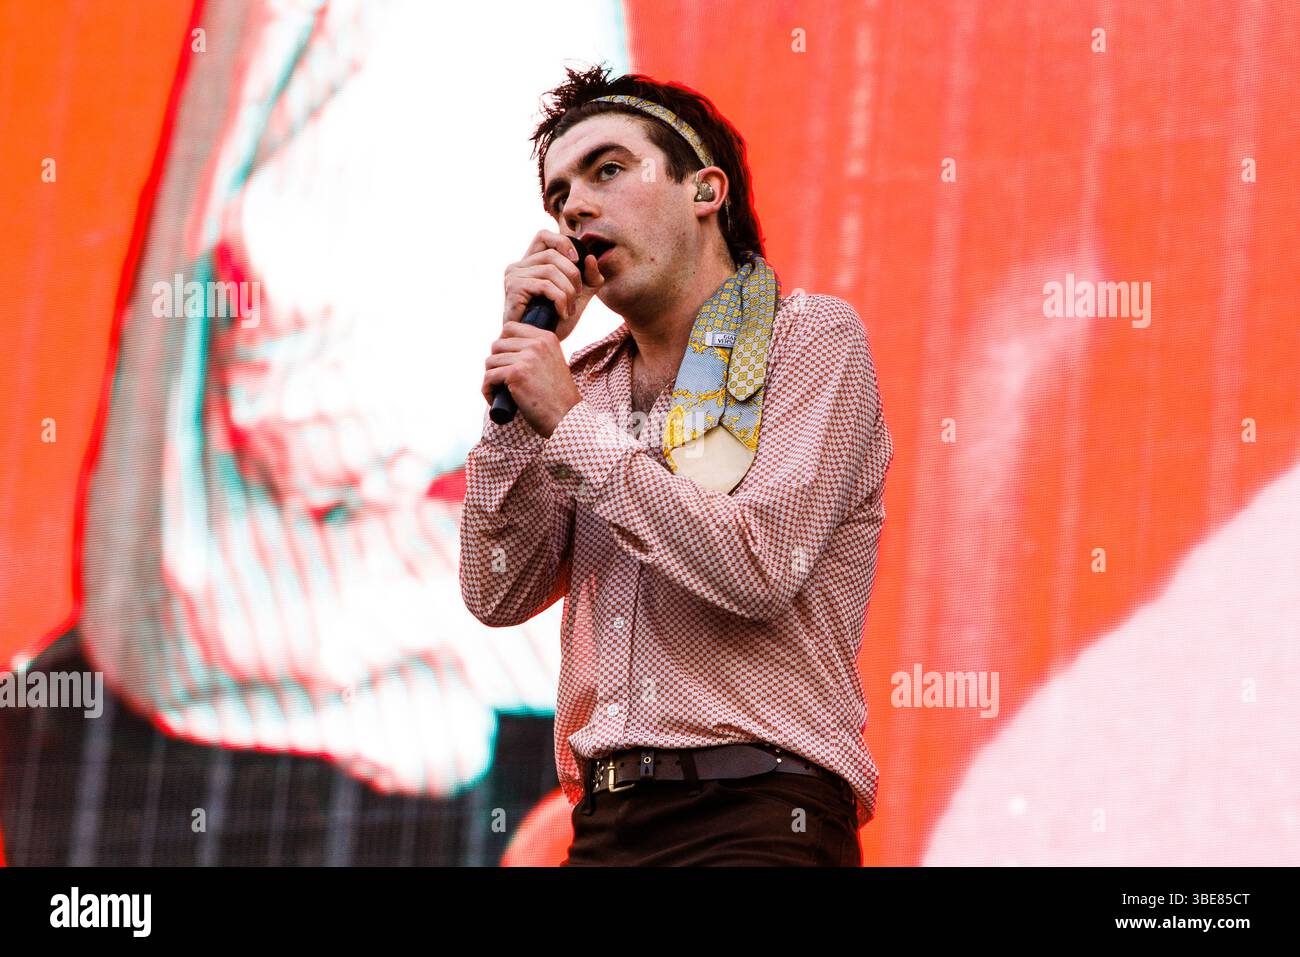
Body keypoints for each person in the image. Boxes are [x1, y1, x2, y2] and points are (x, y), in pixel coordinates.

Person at [459, 64, 894, 866]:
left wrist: (567, 422)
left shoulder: (811, 340)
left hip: (759, 812)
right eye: (558, 196)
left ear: (706, 190)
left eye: (609, 170)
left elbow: (760, 565)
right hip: (604, 825)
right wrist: (522, 408)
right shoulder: (580, 384)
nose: (575, 207)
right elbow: (496, 590)